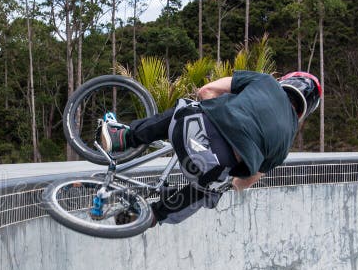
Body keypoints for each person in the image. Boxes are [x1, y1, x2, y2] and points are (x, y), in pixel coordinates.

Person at [98, 70, 322, 227]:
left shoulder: (264, 81)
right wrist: (229, 183)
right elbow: (247, 181)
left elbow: (206, 91)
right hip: (209, 170)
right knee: (211, 190)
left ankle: (123, 138)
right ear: (305, 111)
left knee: (188, 107)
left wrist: (213, 111)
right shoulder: (285, 145)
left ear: (285, 81)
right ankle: (151, 216)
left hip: (189, 133)